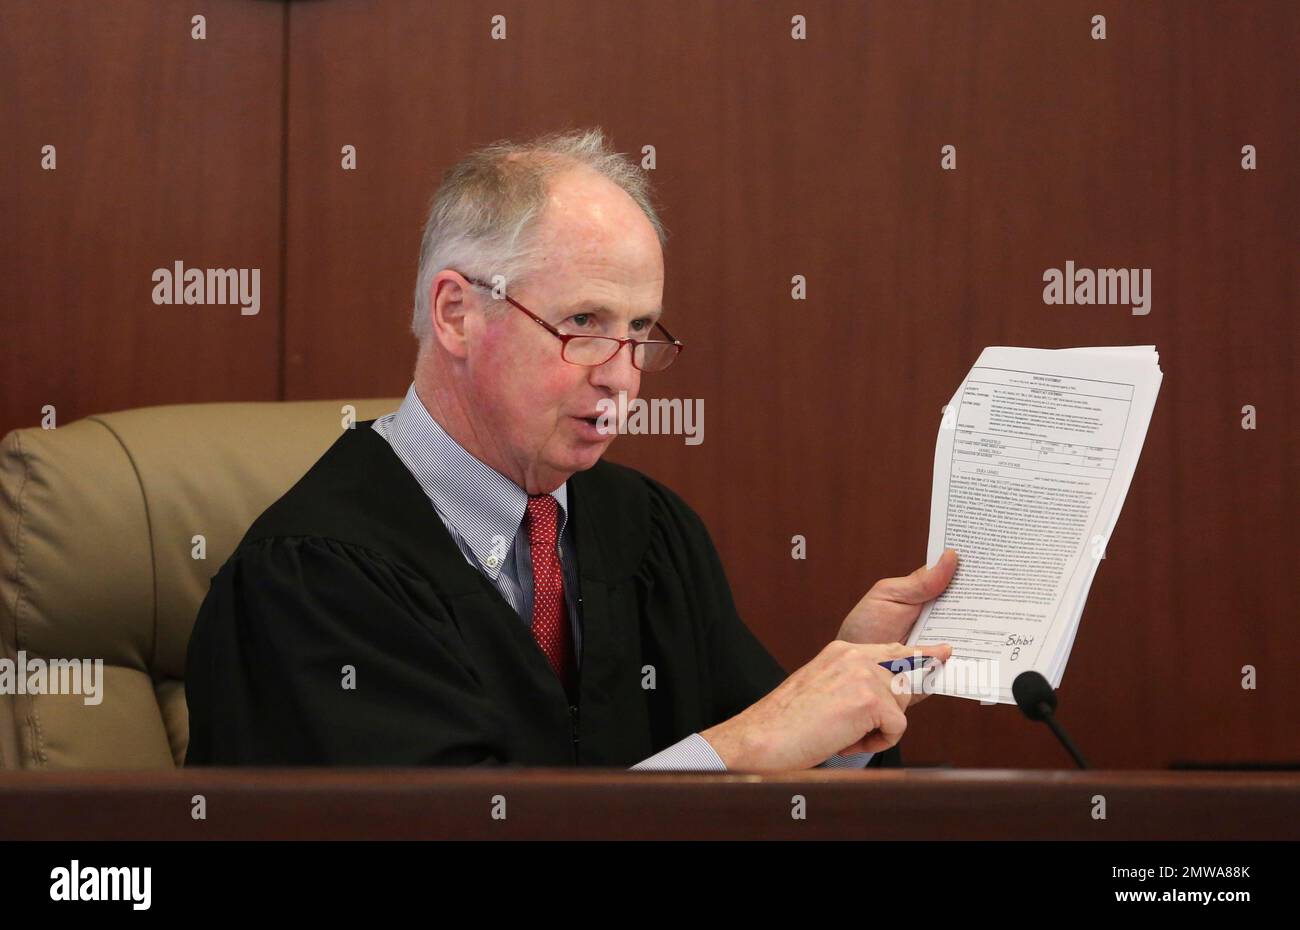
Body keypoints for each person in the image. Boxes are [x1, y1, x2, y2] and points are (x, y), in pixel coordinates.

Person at [184, 128, 958, 770]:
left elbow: (762, 773)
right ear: (457, 314)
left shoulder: (647, 530)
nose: (623, 378)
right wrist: (738, 750)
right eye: (584, 323)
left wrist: (849, 693)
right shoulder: (311, 578)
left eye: (640, 332)